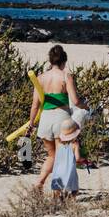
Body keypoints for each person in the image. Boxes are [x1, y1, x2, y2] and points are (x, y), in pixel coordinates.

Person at [30, 45, 81, 192]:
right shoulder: (66, 76)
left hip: (45, 119)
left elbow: (35, 105)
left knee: (52, 155)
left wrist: (31, 124)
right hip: (62, 119)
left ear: (50, 61)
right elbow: (75, 101)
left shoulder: (40, 78)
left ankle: (39, 182)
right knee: (62, 157)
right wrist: (85, 106)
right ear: (64, 61)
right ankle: (57, 191)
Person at [49, 119, 81, 198]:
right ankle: (72, 199)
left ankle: (56, 198)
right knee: (74, 187)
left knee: (58, 187)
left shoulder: (59, 144)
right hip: (69, 169)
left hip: (58, 170)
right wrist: (82, 160)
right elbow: (77, 158)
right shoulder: (75, 144)